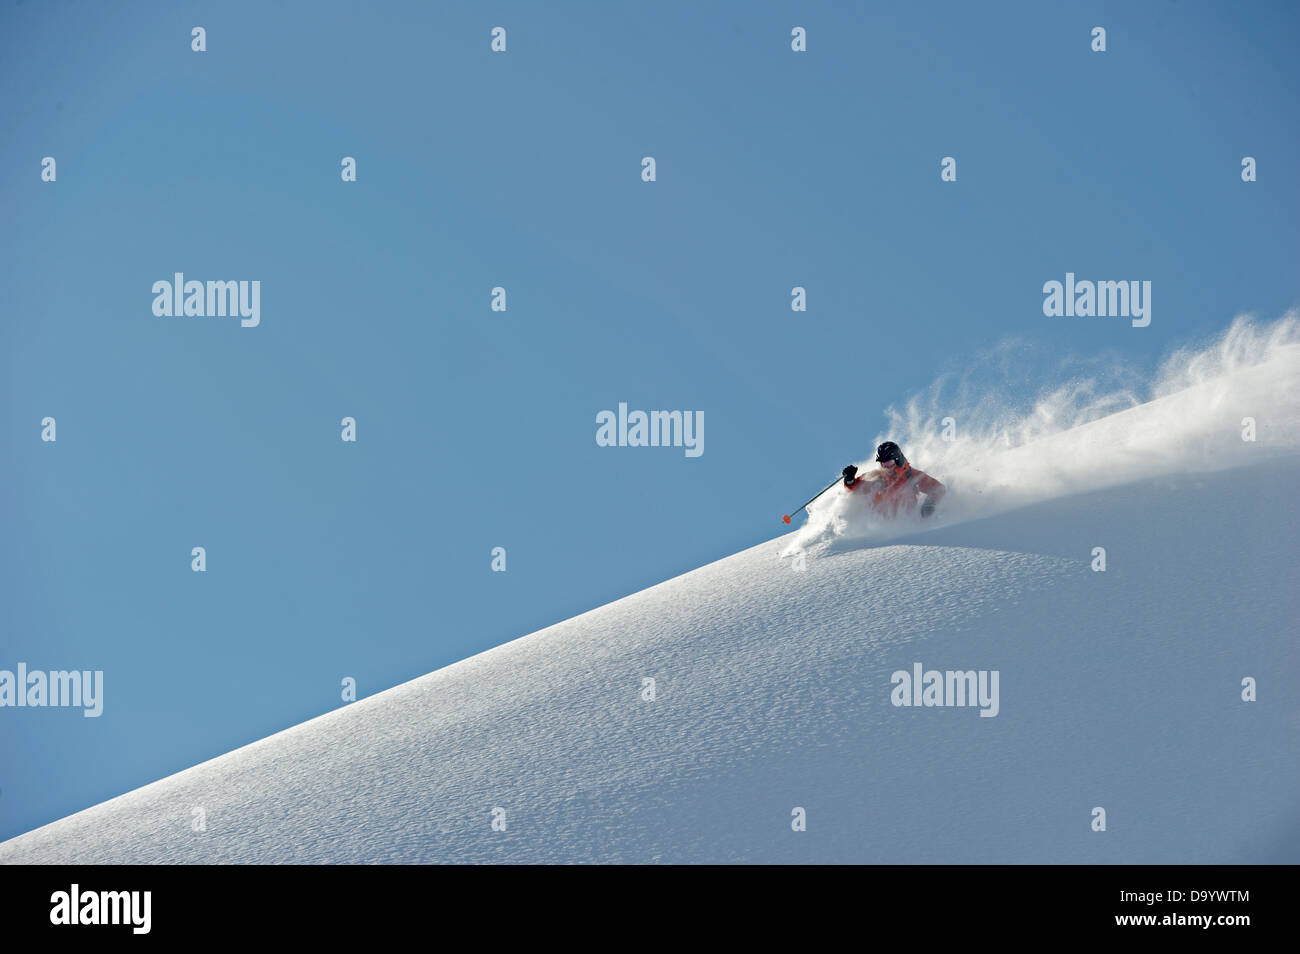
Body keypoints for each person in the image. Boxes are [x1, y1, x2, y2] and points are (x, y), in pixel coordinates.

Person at [841, 441, 945, 518]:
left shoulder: (912, 476)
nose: (885, 467)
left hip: (906, 523)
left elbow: (938, 489)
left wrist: (929, 504)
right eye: (882, 463)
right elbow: (855, 488)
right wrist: (849, 479)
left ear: (897, 460)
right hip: (878, 524)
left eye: (888, 463)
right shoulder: (877, 476)